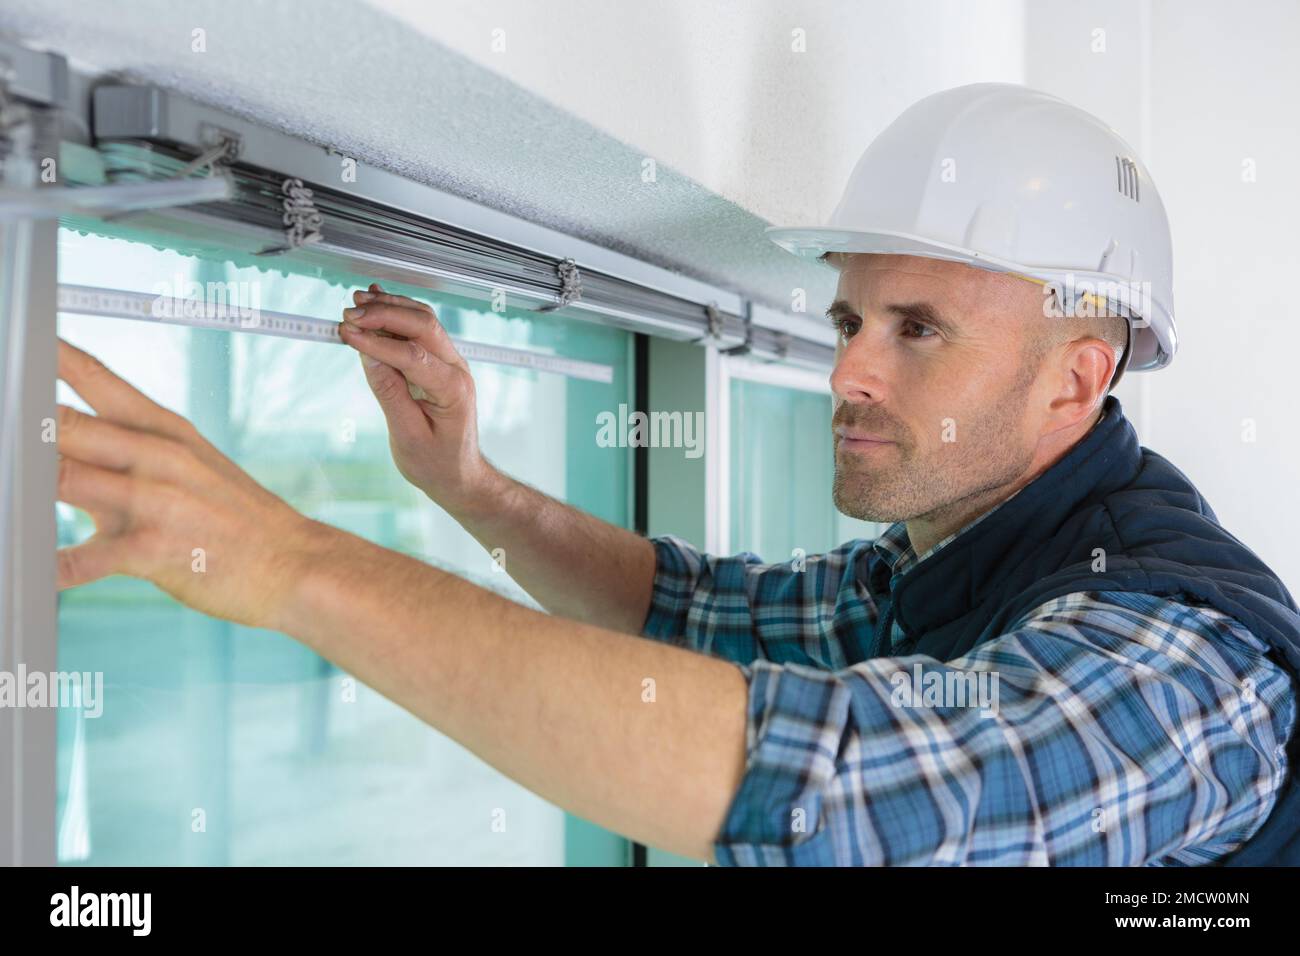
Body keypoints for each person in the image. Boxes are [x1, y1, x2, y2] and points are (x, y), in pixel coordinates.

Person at [55, 84, 1300, 865]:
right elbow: (688, 606)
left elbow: (851, 802)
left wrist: (292, 567)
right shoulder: (950, 554)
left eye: (916, 328)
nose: (845, 374)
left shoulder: (1184, 662)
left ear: (1073, 380)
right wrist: (473, 487)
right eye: (848, 321)